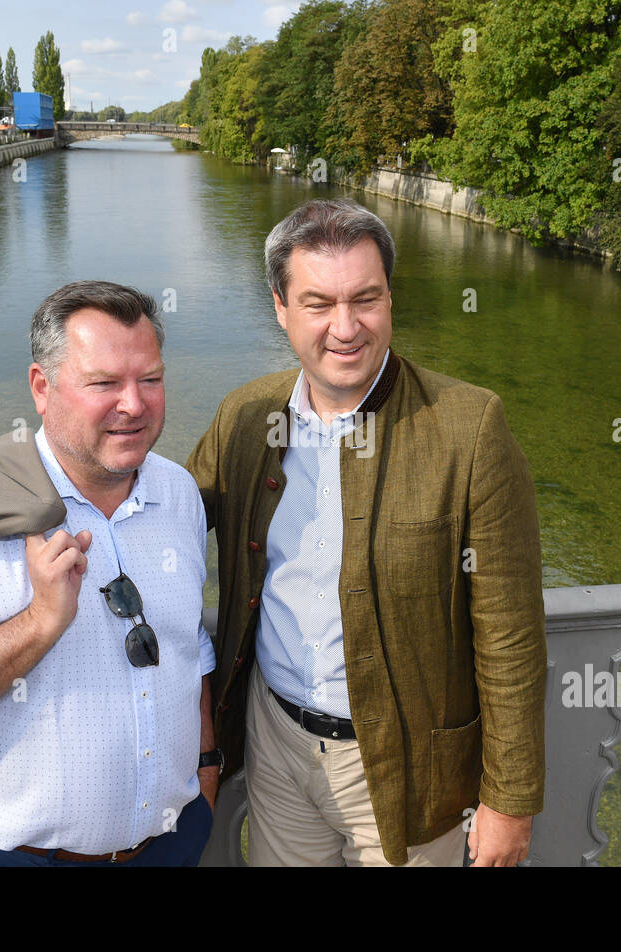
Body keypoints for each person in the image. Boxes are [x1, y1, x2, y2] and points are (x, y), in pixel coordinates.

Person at [187, 198, 546, 867]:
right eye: (318, 302)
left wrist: (510, 799)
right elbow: (164, 520)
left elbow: (512, 631)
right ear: (280, 308)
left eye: (366, 299)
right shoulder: (247, 415)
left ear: (390, 298)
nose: (345, 328)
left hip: (408, 768)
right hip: (277, 746)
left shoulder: (469, 428)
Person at [0, 280, 221, 866]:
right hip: (19, 857)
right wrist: (37, 624)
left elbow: (187, 643)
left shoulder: (177, 492)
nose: (133, 403)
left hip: (170, 845)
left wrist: (206, 770)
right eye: (103, 383)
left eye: (149, 379)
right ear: (41, 388)